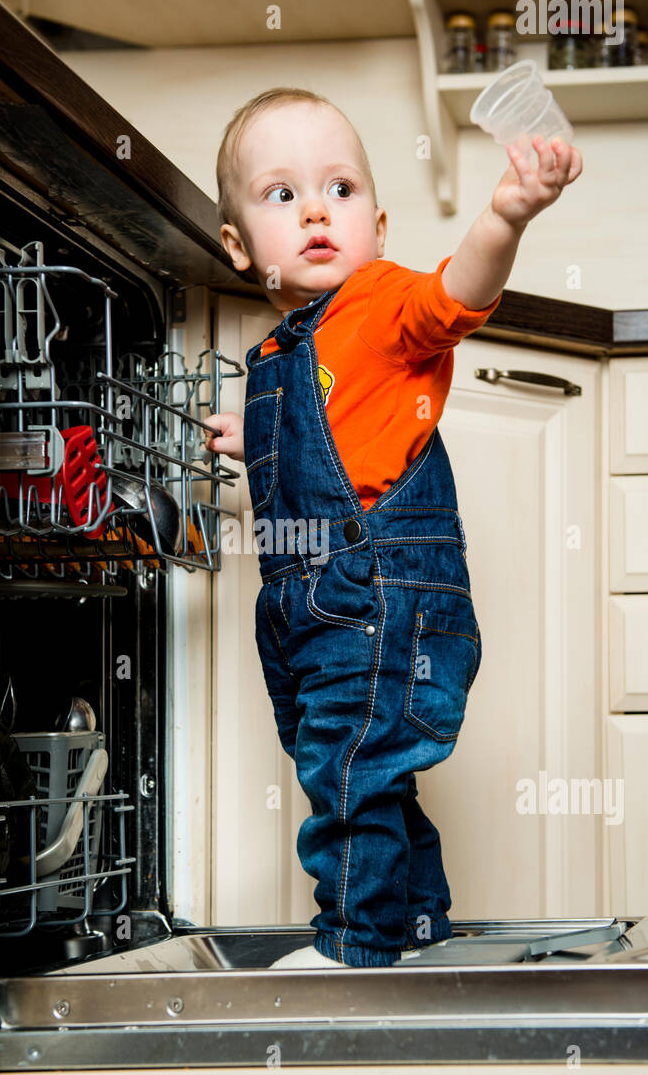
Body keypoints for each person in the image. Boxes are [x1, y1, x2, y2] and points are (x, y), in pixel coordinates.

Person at [203, 87, 582, 969]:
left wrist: (504, 217)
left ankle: (354, 945)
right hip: (312, 609)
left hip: (379, 598)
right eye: (280, 195)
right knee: (364, 767)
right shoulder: (283, 350)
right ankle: (415, 927)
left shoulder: (379, 304)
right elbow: (320, 426)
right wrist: (243, 429)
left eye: (338, 190)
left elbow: (457, 295)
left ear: (377, 223)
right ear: (237, 246)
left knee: (347, 767)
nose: (313, 212)